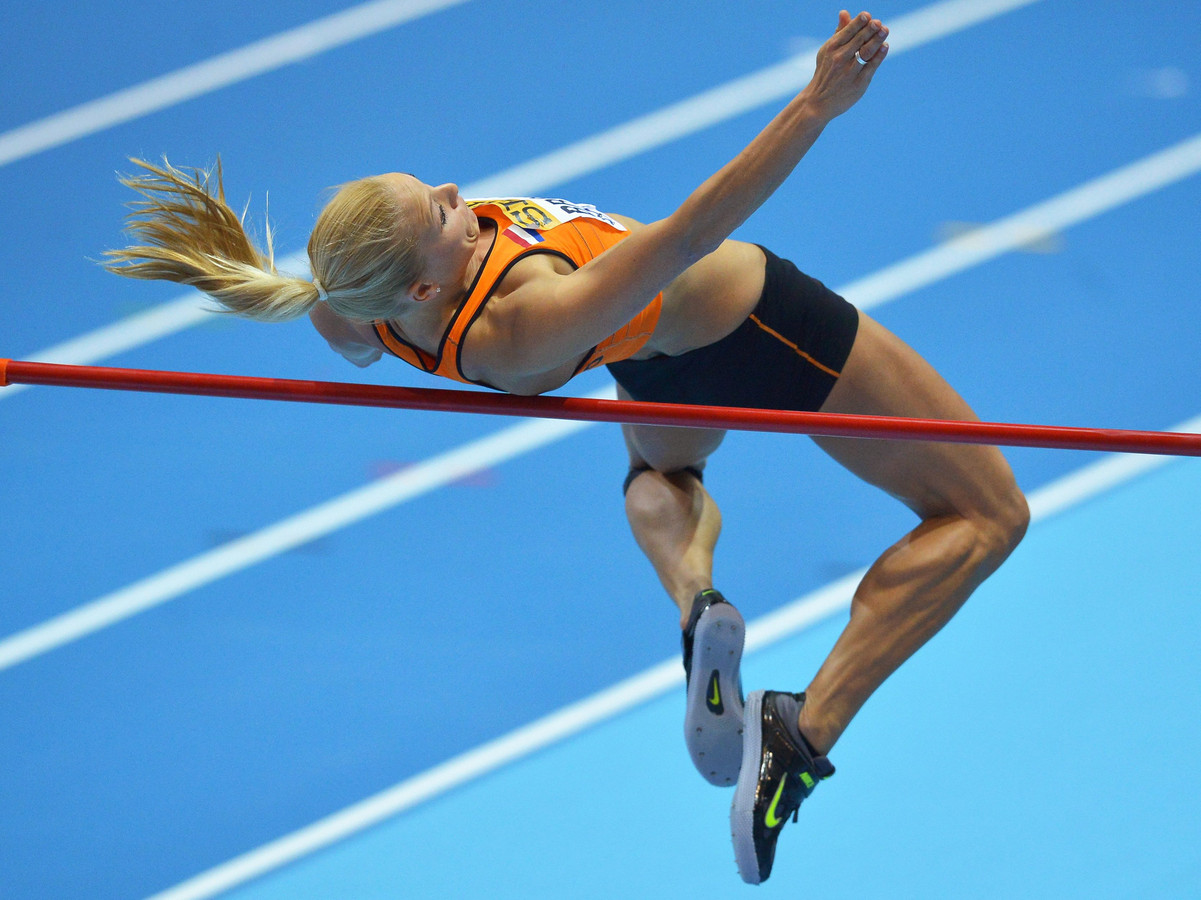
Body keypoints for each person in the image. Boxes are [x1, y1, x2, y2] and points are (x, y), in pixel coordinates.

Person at [105, 10, 1028, 884]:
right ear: (424, 292)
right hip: (758, 326)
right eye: (438, 213)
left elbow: (338, 296)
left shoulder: (348, 314)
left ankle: (695, 599)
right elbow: (694, 229)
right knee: (986, 514)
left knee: (665, 474)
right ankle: (802, 731)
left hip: (655, 369)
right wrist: (814, 105)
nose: (453, 193)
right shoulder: (525, 318)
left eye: (426, 186)